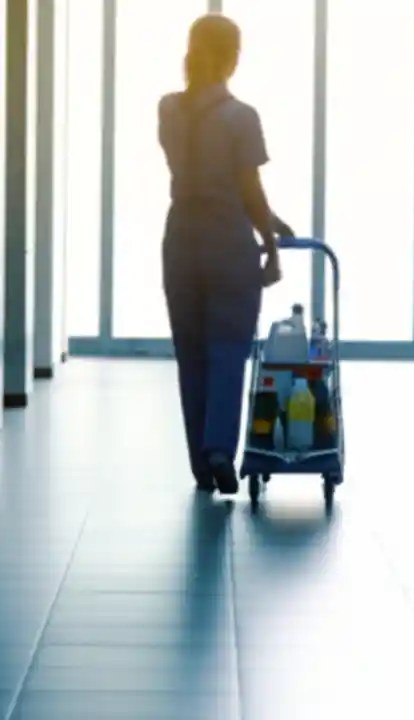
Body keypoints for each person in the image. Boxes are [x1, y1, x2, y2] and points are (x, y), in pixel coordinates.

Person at [158, 13, 291, 494]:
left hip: (181, 241)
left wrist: (268, 218)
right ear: (233, 57)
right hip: (227, 242)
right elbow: (245, 187)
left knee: (191, 353)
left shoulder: (168, 109)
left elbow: (202, 175)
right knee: (228, 347)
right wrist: (271, 246)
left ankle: (201, 466)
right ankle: (219, 447)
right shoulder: (242, 116)